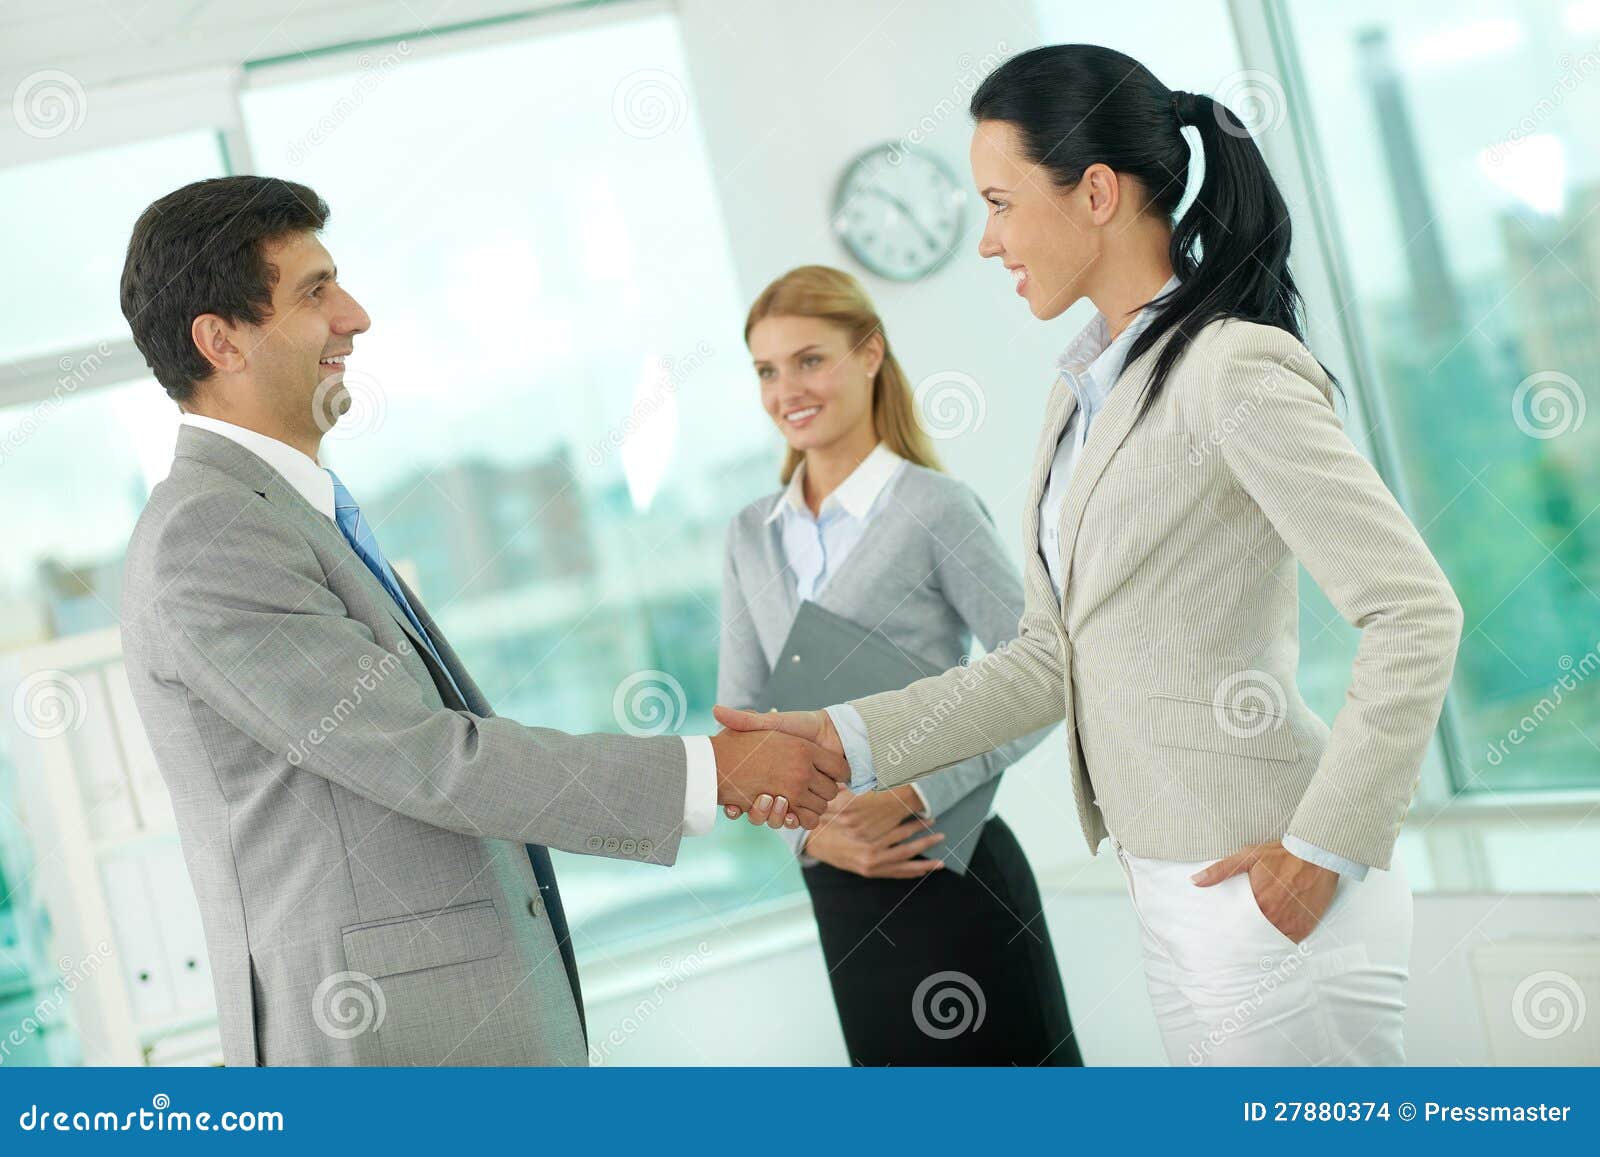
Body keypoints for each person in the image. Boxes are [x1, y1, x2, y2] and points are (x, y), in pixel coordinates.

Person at [719, 45, 1463, 1066]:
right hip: (1168, 881)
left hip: (1265, 878)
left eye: (1000, 203)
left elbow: (1414, 610)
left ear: (1098, 193)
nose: (988, 240)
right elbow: (1043, 660)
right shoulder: (1081, 395)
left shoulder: (1231, 368)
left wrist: (1322, 849)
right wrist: (840, 736)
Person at [116, 175, 846, 1066]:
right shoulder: (211, 533)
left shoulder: (286, 510)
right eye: (314, 292)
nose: (355, 316)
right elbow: (429, 757)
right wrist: (710, 771)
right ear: (220, 340)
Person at [719, 265, 1079, 1065]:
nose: (786, 390)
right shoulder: (749, 534)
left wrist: (913, 793)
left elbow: (1046, 675)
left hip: (953, 871)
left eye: (810, 360)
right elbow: (740, 727)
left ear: (870, 353)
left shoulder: (935, 509)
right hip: (839, 889)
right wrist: (814, 838)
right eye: (767, 370)